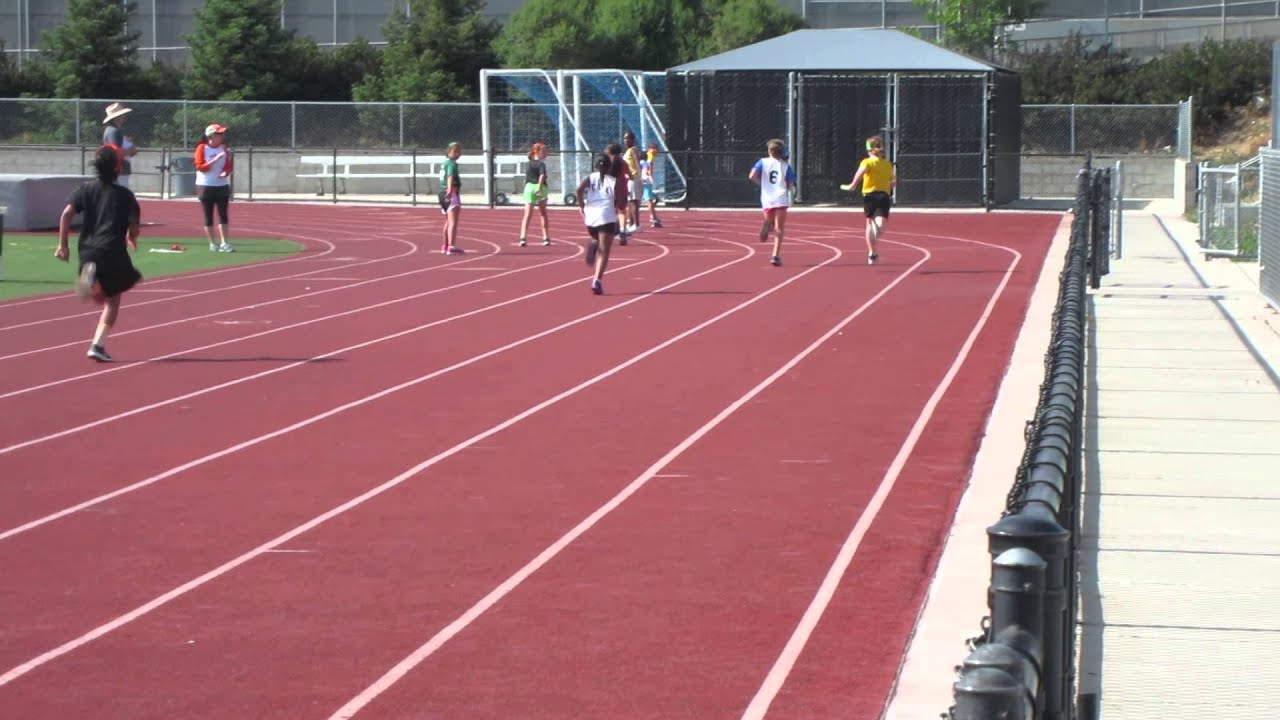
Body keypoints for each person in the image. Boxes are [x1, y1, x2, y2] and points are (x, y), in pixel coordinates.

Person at [53, 144, 143, 362]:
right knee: (113, 301)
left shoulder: (85, 189)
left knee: (100, 291)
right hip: (113, 249)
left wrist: (62, 244)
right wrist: (132, 237)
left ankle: (92, 282)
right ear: (118, 167)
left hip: (87, 250)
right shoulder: (126, 196)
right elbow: (133, 228)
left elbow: (66, 214)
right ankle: (98, 344)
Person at [843, 134, 896, 265]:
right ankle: (872, 252)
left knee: (880, 226)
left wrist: (888, 185)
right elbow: (860, 173)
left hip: (883, 196)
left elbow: (893, 180)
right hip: (870, 196)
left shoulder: (886, 164)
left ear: (869, 149)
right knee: (871, 225)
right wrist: (853, 185)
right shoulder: (867, 162)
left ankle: (873, 247)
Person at [748, 138, 796, 267]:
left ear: (769, 151)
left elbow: (752, 175)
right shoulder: (786, 166)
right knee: (779, 228)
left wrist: (762, 184)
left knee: (769, 220)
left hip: (767, 196)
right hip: (780, 196)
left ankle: (767, 223)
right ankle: (775, 255)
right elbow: (791, 185)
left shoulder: (762, 162)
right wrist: (788, 188)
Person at [576, 154, 619, 295]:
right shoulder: (614, 181)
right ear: (609, 167)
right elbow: (620, 202)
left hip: (590, 218)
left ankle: (594, 240)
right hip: (606, 217)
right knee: (604, 251)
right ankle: (597, 280)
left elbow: (579, 189)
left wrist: (581, 204)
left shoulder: (590, 178)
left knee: (598, 239)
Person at [194, 123, 235, 253]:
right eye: (219, 134)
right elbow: (200, 166)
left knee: (223, 215)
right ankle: (212, 243)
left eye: (223, 134)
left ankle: (224, 243)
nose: (222, 136)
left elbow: (228, 165)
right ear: (211, 136)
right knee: (208, 215)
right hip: (205, 185)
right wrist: (215, 159)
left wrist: (226, 172)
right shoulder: (202, 148)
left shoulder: (223, 147)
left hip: (221, 185)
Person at [518, 142, 551, 247]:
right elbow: (542, 176)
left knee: (527, 215)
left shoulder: (528, 164)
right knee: (543, 214)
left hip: (529, 188)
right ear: (537, 152)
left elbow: (527, 178)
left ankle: (523, 237)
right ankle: (545, 237)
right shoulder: (541, 164)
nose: (546, 154)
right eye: (544, 152)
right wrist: (539, 187)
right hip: (539, 187)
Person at [101, 103, 139, 188]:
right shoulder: (113, 131)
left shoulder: (115, 131)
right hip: (118, 172)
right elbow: (114, 152)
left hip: (119, 171)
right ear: (117, 117)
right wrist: (131, 150)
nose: (124, 117)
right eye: (122, 115)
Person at [439, 141, 465, 254]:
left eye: (459, 151)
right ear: (449, 152)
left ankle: (445, 245)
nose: (457, 153)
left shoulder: (444, 163)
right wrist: (450, 190)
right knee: (453, 222)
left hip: (441, 193)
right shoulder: (451, 164)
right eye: (455, 151)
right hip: (451, 193)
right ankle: (451, 246)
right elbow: (450, 176)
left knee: (448, 222)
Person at [604, 143, 631, 245]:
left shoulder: (607, 163)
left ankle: (608, 232)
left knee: (610, 212)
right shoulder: (623, 163)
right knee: (621, 211)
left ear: (609, 153)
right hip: (622, 189)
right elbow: (630, 175)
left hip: (610, 190)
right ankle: (623, 229)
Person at [622, 131, 643, 233]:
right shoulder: (627, 151)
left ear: (632, 139)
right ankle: (631, 224)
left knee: (633, 202)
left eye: (627, 138)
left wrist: (641, 175)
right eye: (625, 138)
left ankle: (637, 224)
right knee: (630, 202)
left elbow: (637, 162)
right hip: (630, 179)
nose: (625, 140)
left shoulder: (633, 150)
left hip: (634, 178)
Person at [640, 143, 663, 228]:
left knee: (654, 199)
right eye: (655, 149)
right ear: (650, 148)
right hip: (646, 180)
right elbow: (648, 167)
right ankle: (653, 217)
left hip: (643, 179)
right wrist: (651, 178)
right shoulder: (650, 156)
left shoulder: (646, 157)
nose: (656, 151)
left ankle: (653, 216)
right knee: (649, 199)